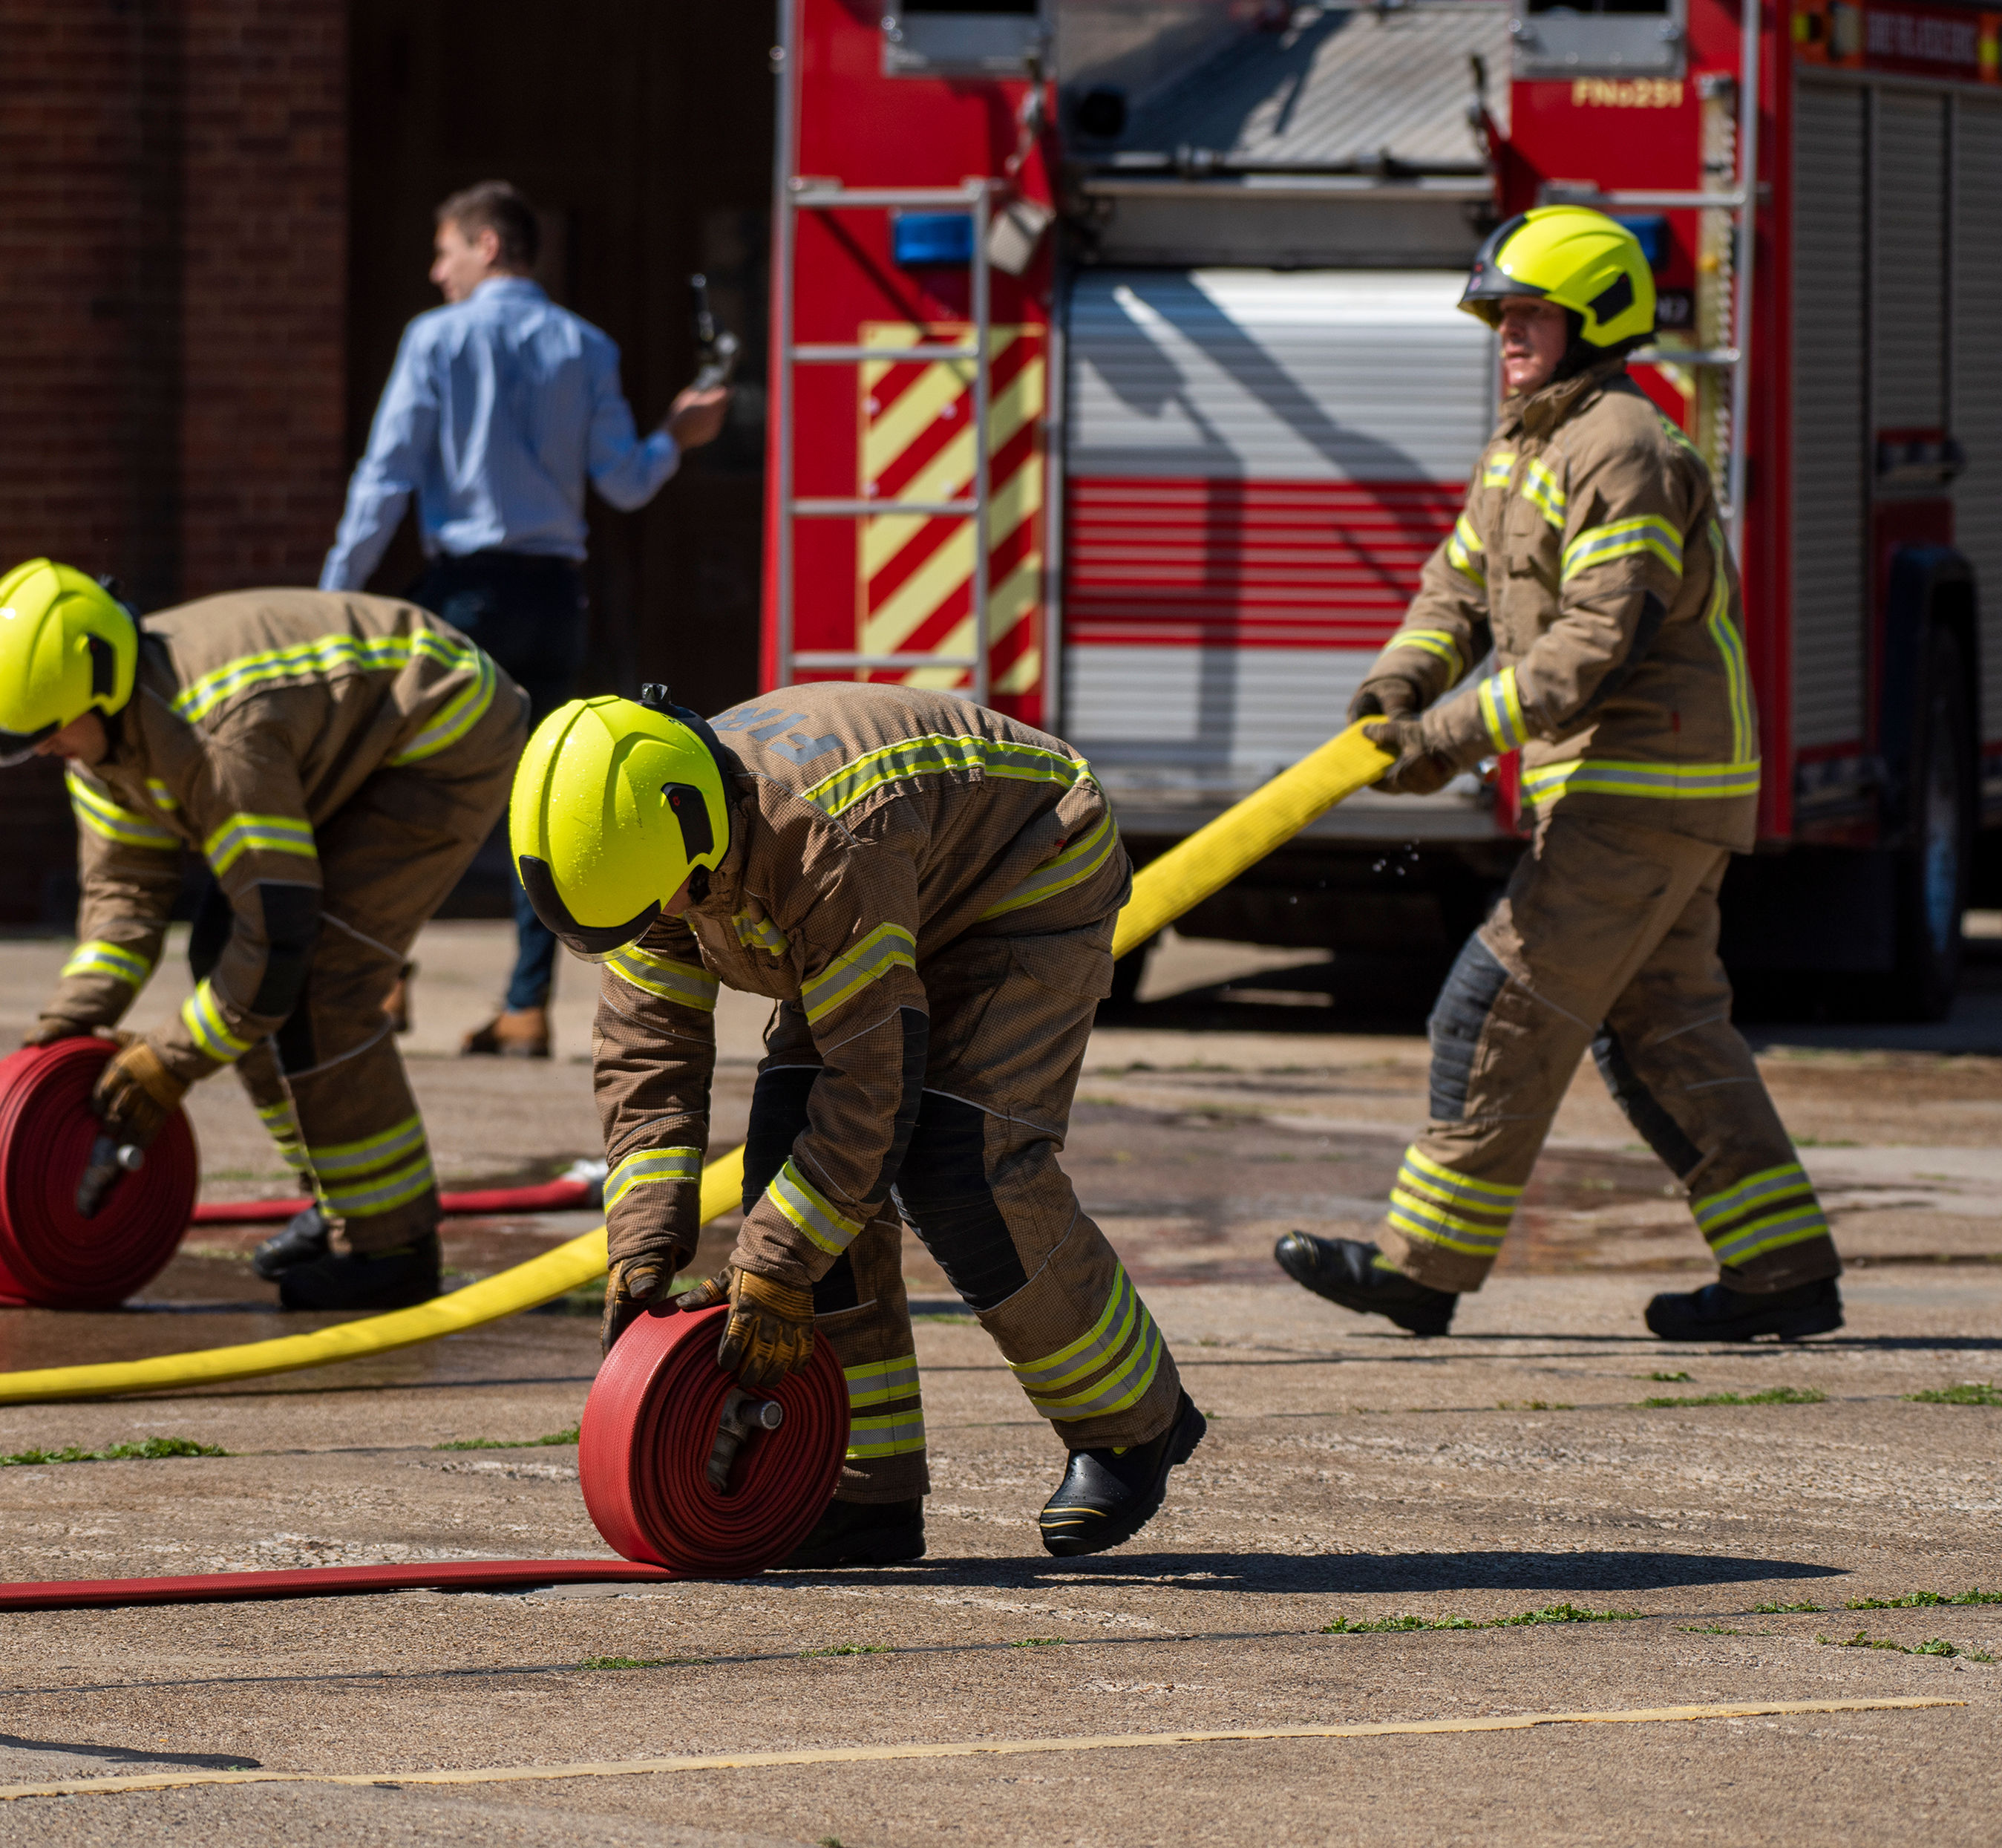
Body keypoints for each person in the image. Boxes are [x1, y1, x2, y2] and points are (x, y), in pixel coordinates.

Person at [1274, 206, 1844, 1344]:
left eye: (1530, 313)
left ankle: (1420, 1268)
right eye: (1501, 314)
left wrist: (1442, 740)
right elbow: (1456, 589)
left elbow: (1594, 644)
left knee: (1495, 1009)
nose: (1508, 334)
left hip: (1641, 786)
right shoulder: (1525, 445)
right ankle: (1781, 1268)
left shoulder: (1622, 446)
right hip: (1639, 791)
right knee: (1666, 1032)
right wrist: (1395, 689)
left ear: (1594, 319)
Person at [511, 682, 1204, 1564]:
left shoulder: (820, 845)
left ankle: (1132, 1420)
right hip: (885, 893)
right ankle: (862, 1487)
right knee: (787, 1162)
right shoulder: (645, 856)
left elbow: (872, 1084)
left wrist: (773, 1263)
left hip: (1022, 871)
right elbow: (651, 1060)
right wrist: (643, 1242)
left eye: (670, 901)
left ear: (697, 830)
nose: (668, 922)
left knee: (959, 1163)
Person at [0, 561, 525, 1312]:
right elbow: (124, 901)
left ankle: (393, 1248)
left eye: (48, 733)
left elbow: (278, 940)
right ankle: (339, 1201)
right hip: (340, 743)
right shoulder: (96, 745)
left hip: (442, 734)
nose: (41, 750)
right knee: (220, 956)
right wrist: (70, 1021)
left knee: (320, 981)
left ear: (101, 685)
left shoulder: (213, 735)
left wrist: (168, 1061)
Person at [321, 180, 730, 1062]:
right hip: (555, 598)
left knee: (404, 778)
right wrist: (676, 434)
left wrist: (334, 598)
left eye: (445, 252)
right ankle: (524, 1006)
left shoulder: (435, 339)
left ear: (488, 245)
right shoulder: (587, 345)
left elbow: (385, 476)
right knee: (536, 798)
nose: (437, 274)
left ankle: (379, 966)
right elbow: (625, 482)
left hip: (467, 595)